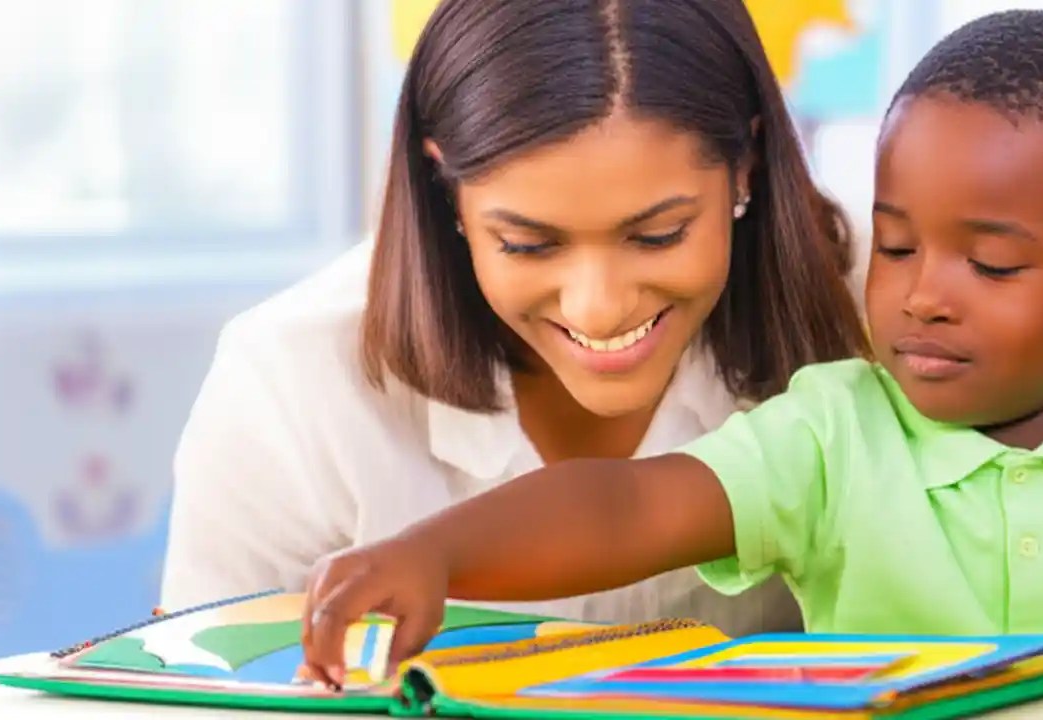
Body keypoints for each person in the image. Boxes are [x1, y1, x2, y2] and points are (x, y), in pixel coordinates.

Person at [298, 10, 1043, 685]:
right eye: (894, 247)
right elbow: (624, 506)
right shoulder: (830, 430)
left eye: (990, 265)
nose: (921, 296)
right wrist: (437, 551)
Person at [158, 0, 869, 639]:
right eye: (528, 244)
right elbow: (203, 680)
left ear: (744, 166)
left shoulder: (888, 316)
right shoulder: (288, 382)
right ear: (447, 191)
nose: (599, 305)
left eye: (658, 235)